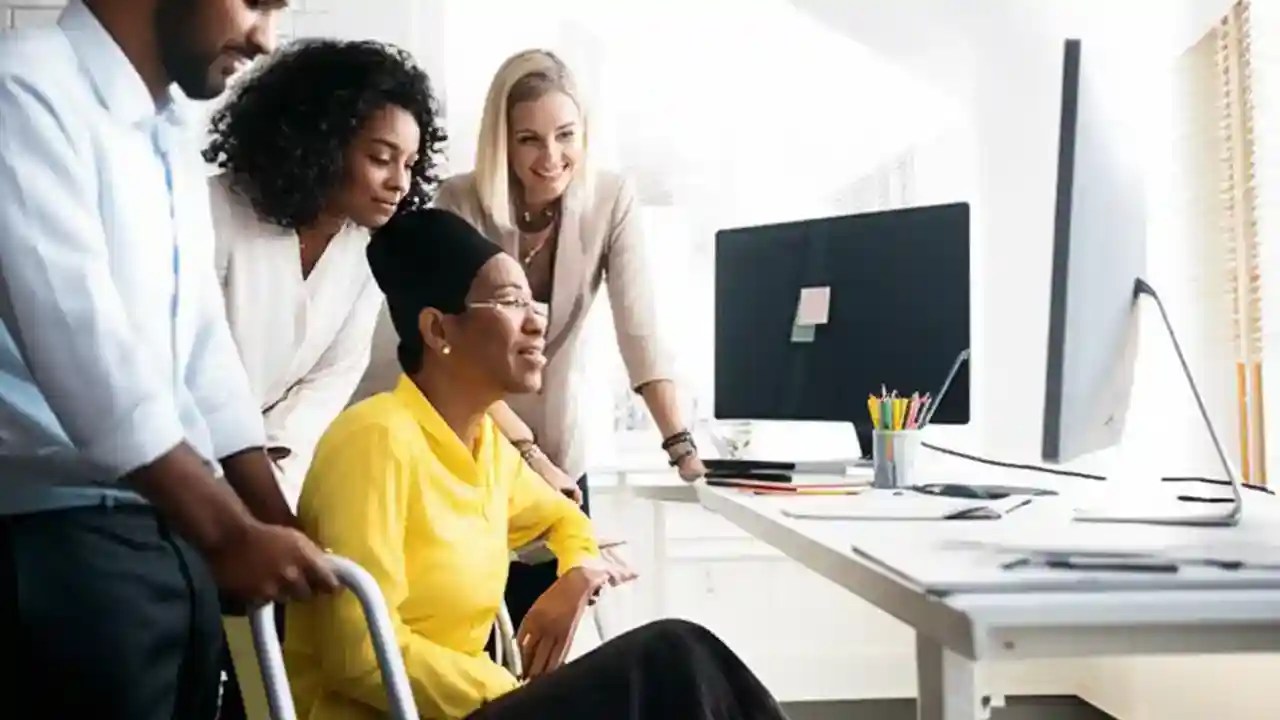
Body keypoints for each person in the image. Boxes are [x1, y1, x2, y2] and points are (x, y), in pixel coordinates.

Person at [286, 207, 789, 720]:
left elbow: (565, 517)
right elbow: (358, 656)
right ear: (439, 329)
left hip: (469, 708)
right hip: (414, 711)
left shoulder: (484, 448)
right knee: (673, 657)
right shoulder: (374, 441)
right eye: (509, 301)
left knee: (685, 667)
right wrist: (503, 689)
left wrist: (577, 572)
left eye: (533, 301)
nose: (536, 321)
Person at [0, 2, 339, 718]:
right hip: (57, 543)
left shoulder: (169, 133)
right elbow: (81, 339)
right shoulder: (24, 89)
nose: (265, 38)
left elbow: (203, 353)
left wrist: (274, 524)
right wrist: (229, 530)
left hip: (169, 532)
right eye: (256, 3)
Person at [358, 47, 706, 629]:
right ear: (502, 140)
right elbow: (455, 357)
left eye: (565, 135)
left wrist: (682, 447)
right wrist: (528, 455)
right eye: (529, 140)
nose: (551, 158)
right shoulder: (458, 201)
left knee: (551, 638)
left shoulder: (610, 199)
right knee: (473, 623)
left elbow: (639, 331)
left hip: (561, 447)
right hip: (474, 440)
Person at [204, 38, 447, 510]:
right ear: (321, 143)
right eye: (380, 158)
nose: (399, 182)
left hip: (265, 485)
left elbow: (325, 386)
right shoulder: (213, 213)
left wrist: (270, 489)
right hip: (167, 478)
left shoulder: (362, 251)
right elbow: (193, 374)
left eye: (409, 164)